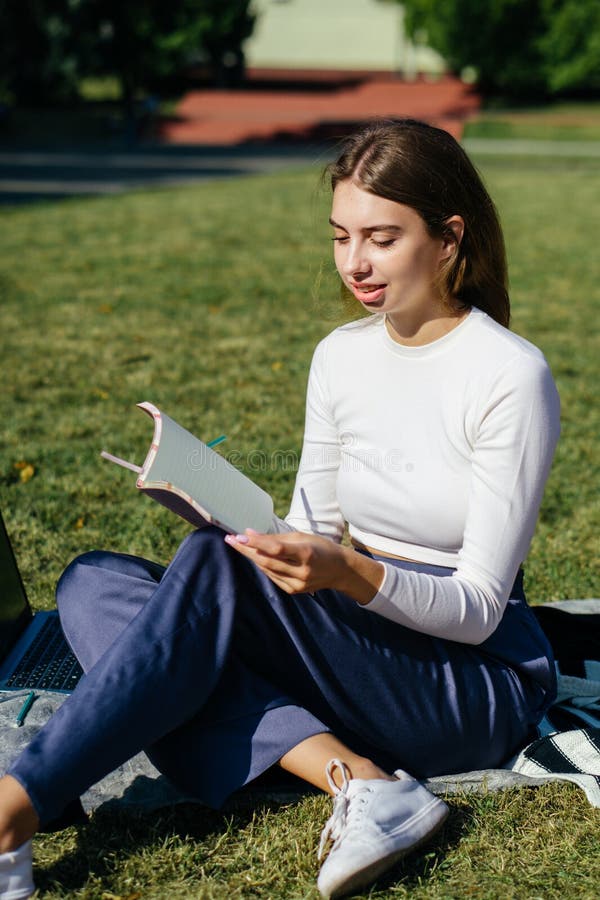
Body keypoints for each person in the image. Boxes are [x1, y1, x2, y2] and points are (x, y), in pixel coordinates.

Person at [0, 119, 560, 900]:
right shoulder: (341, 356)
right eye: (340, 237)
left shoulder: (508, 375)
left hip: (475, 679)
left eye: (382, 237)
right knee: (93, 584)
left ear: (447, 237)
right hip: (365, 641)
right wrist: (255, 529)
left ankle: (15, 808)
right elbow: (310, 526)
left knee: (208, 578)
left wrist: (349, 573)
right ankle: (360, 779)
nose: (355, 263)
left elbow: (475, 609)